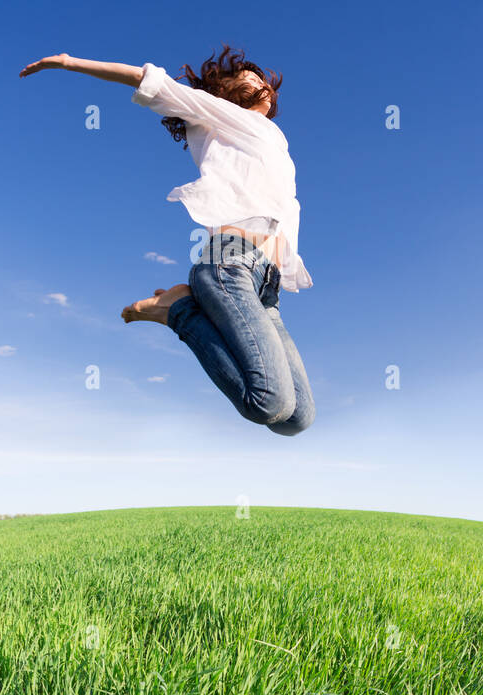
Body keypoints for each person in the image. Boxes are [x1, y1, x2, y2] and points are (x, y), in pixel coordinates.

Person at [20, 45, 315, 435]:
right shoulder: (220, 117)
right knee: (267, 403)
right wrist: (70, 62)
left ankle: (182, 306)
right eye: (246, 77)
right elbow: (148, 79)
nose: (259, 82)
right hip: (231, 264)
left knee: (296, 420)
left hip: (266, 287)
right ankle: (178, 309)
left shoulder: (273, 139)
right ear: (222, 94)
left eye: (262, 78)